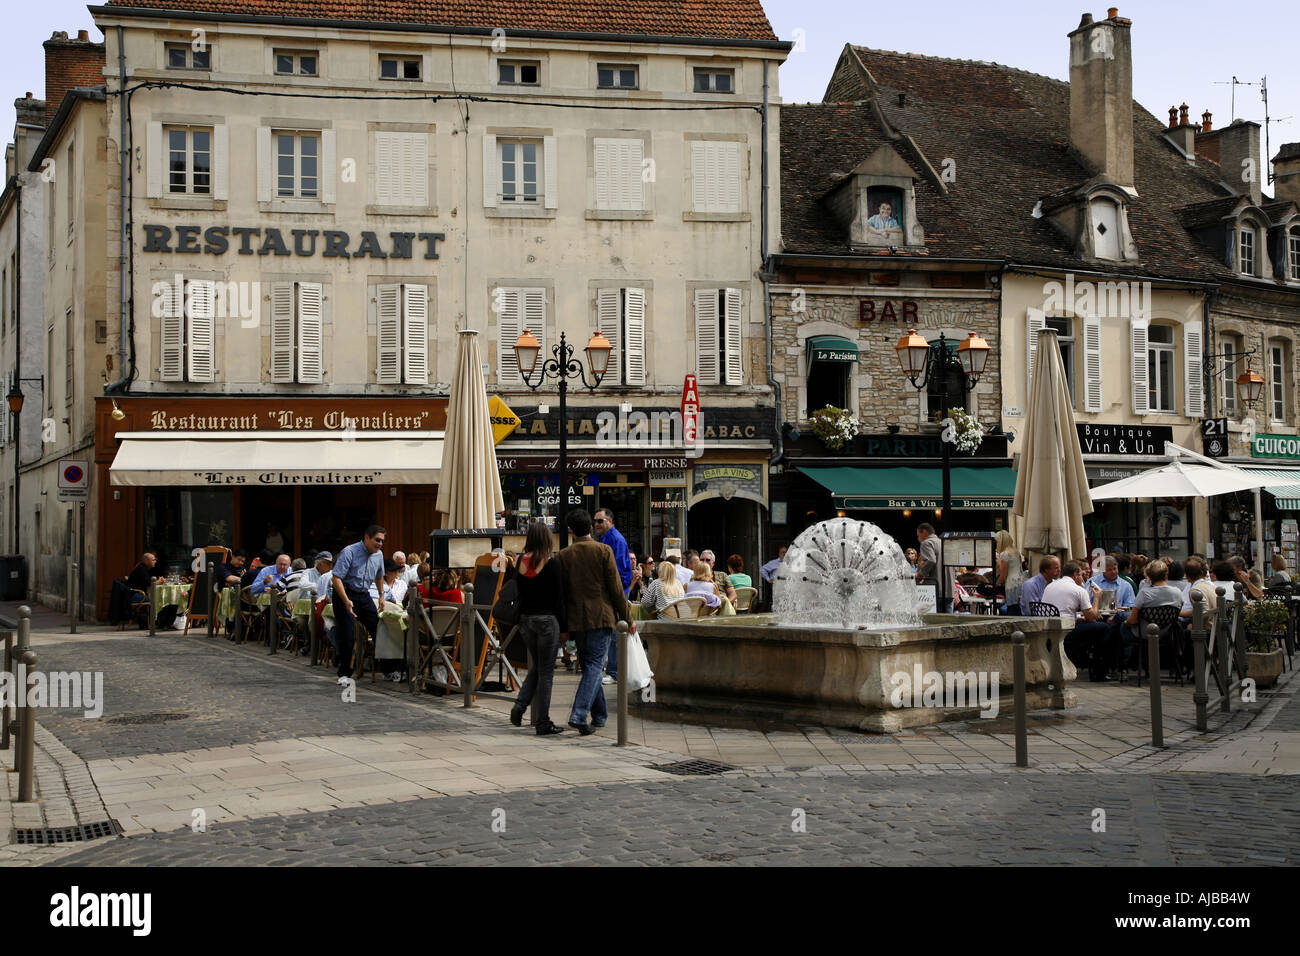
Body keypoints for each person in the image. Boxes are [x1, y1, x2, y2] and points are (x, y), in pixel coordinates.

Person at [559, 509, 635, 736]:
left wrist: (564, 626)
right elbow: (615, 589)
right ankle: (579, 714)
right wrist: (627, 617)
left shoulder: (563, 555)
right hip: (602, 617)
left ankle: (600, 714)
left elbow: (562, 595)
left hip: (577, 620)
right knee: (594, 667)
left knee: (590, 666)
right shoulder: (604, 550)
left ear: (571, 531)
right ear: (590, 528)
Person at [508, 522, 567, 736]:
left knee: (538, 667)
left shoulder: (519, 562)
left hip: (526, 621)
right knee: (546, 673)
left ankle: (519, 707)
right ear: (547, 539)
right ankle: (543, 721)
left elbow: (517, 590)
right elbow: (559, 599)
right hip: (547, 621)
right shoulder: (552, 563)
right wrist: (564, 628)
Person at [331, 524, 386, 688]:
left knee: (379, 628)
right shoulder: (350, 552)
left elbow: (379, 576)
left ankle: (386, 668)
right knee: (348, 634)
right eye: (377, 540)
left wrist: (382, 595)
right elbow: (336, 578)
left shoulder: (379, 555)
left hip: (363, 595)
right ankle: (344, 673)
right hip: (344, 593)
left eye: (382, 541)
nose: (380, 544)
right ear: (367, 538)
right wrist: (346, 600)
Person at [1043, 560, 1113, 680]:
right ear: (1075, 575)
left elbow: (1061, 609)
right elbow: (1092, 617)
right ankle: (1098, 671)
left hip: (1049, 627)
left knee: (1092, 627)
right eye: (1081, 574)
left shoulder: (1049, 586)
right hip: (1067, 629)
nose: (1082, 577)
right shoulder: (1079, 590)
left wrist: (1077, 618)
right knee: (1104, 628)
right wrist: (1097, 598)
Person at [594, 508, 633, 684]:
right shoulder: (607, 538)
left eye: (600, 521)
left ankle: (615, 672)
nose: (597, 524)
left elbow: (614, 570)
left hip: (617, 589)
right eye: (595, 521)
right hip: (615, 589)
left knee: (617, 631)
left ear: (610, 521)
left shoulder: (614, 539)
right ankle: (613, 669)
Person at [1122, 560, 1184, 669]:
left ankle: (1122, 664)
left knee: (1121, 621)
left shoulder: (1145, 593)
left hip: (1143, 633)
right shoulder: (1177, 592)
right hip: (1166, 632)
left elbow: (1133, 620)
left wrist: (1125, 622)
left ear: (1149, 575)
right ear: (1166, 574)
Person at [994, 531, 1025, 615]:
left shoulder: (1004, 554)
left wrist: (995, 584)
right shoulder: (1016, 552)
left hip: (1011, 584)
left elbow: (1004, 575)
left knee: (1012, 609)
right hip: (1021, 581)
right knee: (1018, 608)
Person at [914, 524, 940, 588]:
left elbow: (931, 560)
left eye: (918, 535)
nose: (918, 538)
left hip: (934, 587)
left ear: (924, 532)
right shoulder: (943, 542)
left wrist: (919, 575)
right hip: (949, 588)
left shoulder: (926, 543)